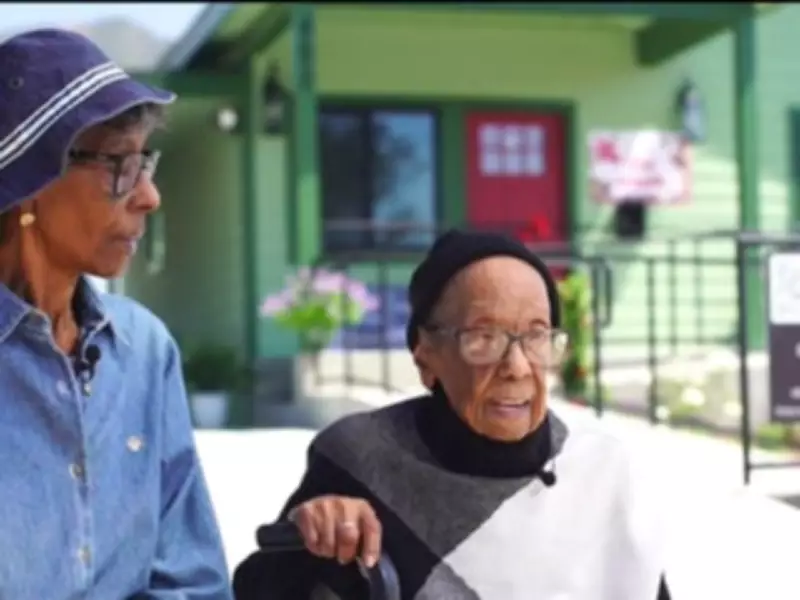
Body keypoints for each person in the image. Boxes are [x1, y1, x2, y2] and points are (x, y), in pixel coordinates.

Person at [234, 229, 671, 600]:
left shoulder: (601, 470)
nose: (517, 367)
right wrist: (306, 534)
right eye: (484, 337)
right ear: (426, 357)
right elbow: (257, 589)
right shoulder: (362, 458)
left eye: (536, 337)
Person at [0, 29, 231, 598]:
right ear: (32, 179)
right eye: (119, 164)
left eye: (144, 161)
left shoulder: (144, 349)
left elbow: (188, 578)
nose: (150, 195)